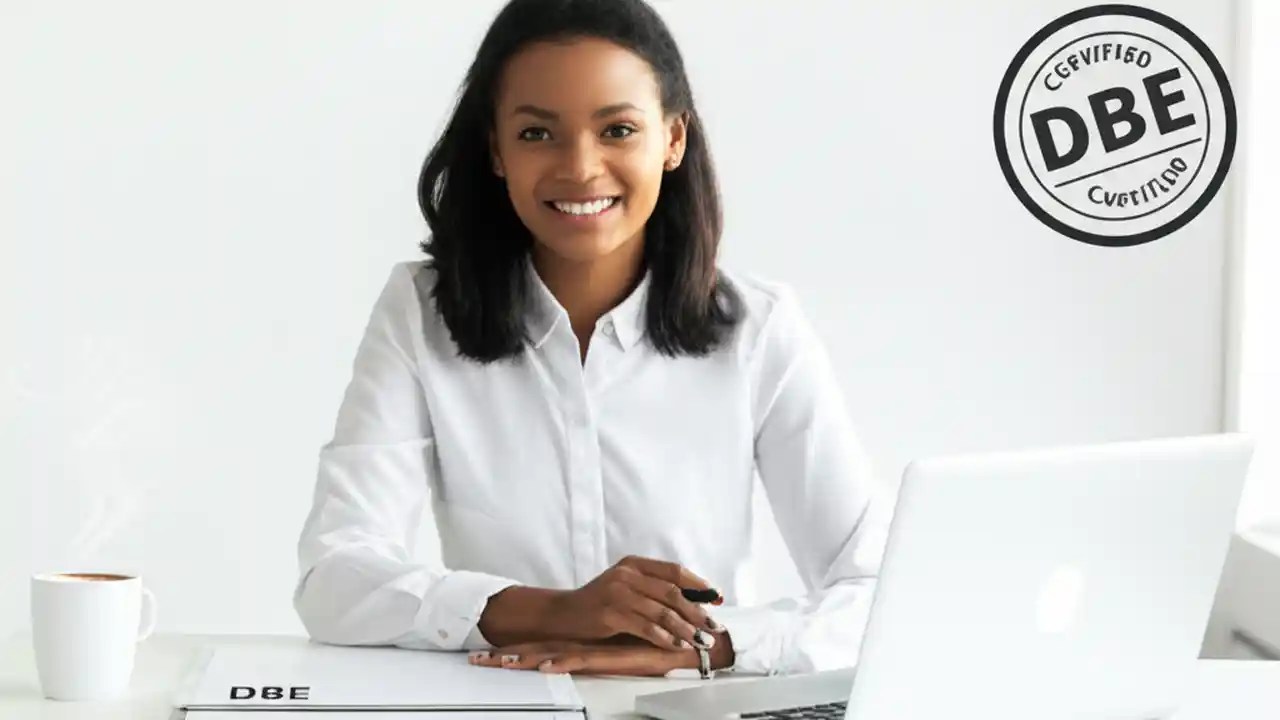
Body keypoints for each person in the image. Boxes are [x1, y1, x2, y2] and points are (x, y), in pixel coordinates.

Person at [293, 0, 888, 678]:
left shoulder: (760, 328)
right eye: (538, 134)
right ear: (496, 148)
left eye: (618, 129)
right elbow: (336, 578)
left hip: (689, 709)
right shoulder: (419, 312)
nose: (580, 168)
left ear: (673, 139)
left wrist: (707, 647)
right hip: (504, 702)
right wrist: (555, 610)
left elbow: (882, 592)